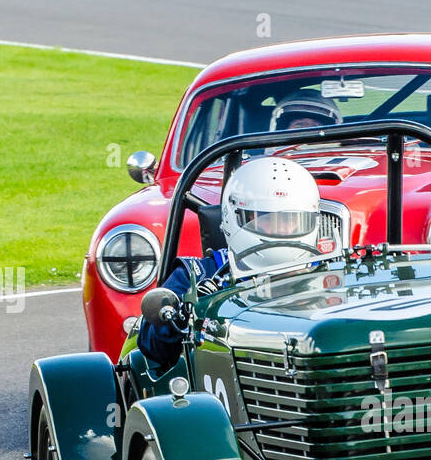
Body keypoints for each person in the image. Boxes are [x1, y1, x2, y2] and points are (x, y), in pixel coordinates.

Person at [124, 155, 327, 368]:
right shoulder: (199, 273)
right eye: (266, 219)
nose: (282, 230)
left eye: (291, 220)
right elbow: (153, 349)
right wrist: (183, 315)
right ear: (234, 216)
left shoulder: (328, 273)